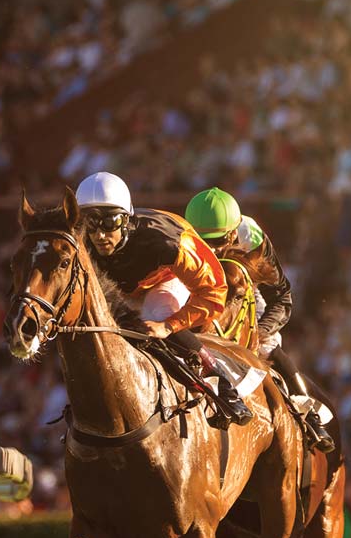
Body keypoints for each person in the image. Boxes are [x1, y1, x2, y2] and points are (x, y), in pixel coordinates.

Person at [75, 171, 253, 426]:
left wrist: (167, 326)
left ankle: (221, 381)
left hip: (166, 280)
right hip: (122, 289)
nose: (100, 235)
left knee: (151, 318)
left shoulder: (166, 242)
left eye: (110, 222)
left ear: (126, 219)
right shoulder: (81, 240)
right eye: (90, 223)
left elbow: (214, 292)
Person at [184, 187, 335, 452]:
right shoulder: (182, 237)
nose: (212, 249)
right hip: (199, 290)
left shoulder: (251, 238)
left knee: (267, 346)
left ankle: (309, 416)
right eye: (204, 240)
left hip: (244, 289)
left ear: (233, 232)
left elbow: (282, 297)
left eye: (219, 240)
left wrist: (260, 331)